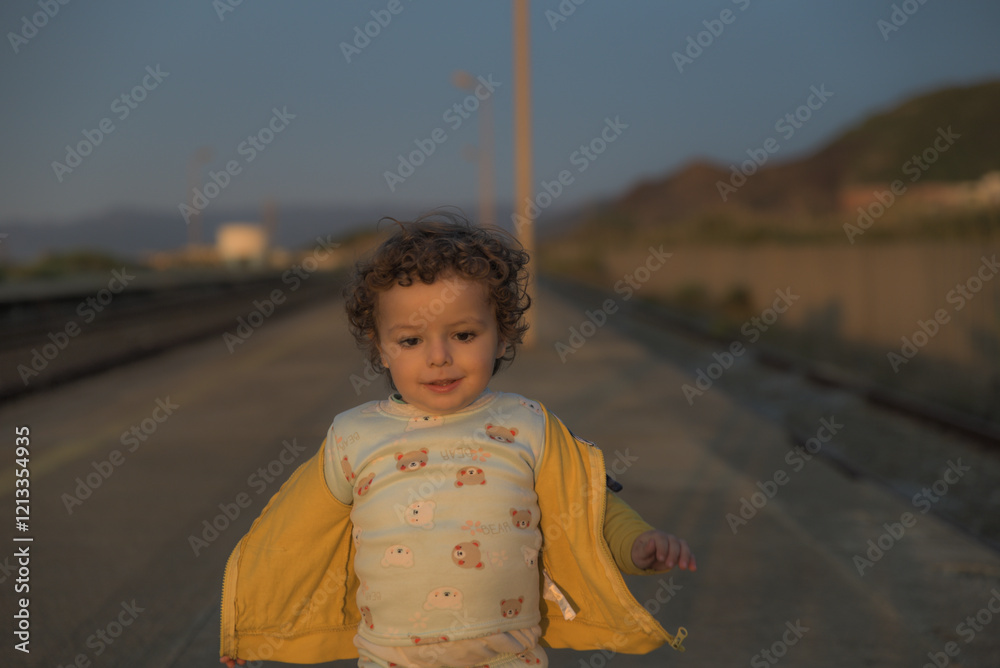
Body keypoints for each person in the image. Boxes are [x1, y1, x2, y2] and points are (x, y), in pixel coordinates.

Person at [219, 213, 696, 668]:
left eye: (464, 334)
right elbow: (292, 534)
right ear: (380, 347)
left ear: (502, 336)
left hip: (510, 655)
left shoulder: (529, 425)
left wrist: (636, 543)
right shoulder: (353, 436)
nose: (439, 357)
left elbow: (587, 506)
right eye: (410, 341)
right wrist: (253, 626)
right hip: (390, 657)